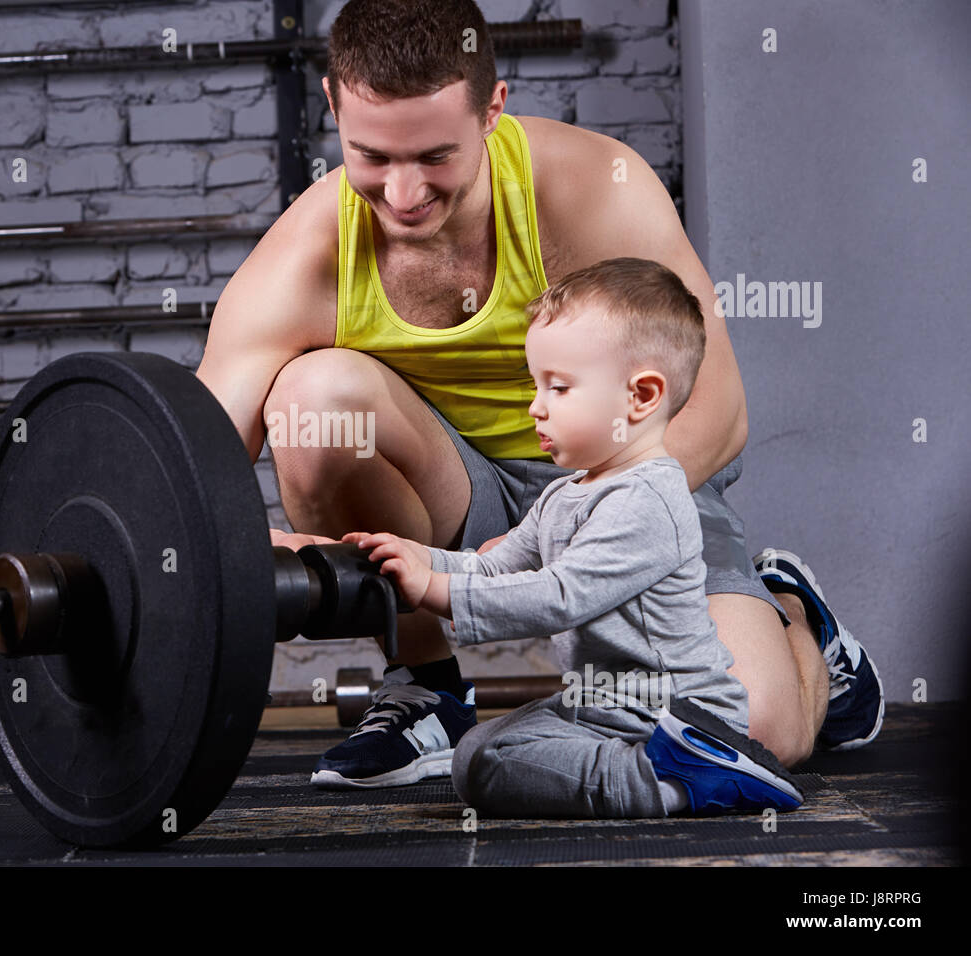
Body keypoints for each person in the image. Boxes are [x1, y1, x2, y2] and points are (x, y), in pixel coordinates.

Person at [194, 0, 882, 789]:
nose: (404, 192)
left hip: (631, 481)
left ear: (492, 110)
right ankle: (427, 686)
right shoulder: (306, 255)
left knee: (753, 731)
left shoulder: (591, 189)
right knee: (315, 402)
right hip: (465, 493)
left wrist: (584, 542)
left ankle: (798, 618)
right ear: (331, 106)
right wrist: (199, 552)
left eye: (434, 156)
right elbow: (199, 466)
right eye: (372, 156)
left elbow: (721, 415)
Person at [341, 256, 803, 815]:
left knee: (487, 764)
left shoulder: (648, 500)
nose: (535, 407)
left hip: (668, 710)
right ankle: (663, 771)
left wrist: (433, 590)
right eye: (536, 385)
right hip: (601, 704)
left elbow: (560, 596)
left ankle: (679, 778)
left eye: (558, 388)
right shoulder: (567, 494)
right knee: (478, 750)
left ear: (641, 397)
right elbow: (492, 567)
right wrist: (417, 559)